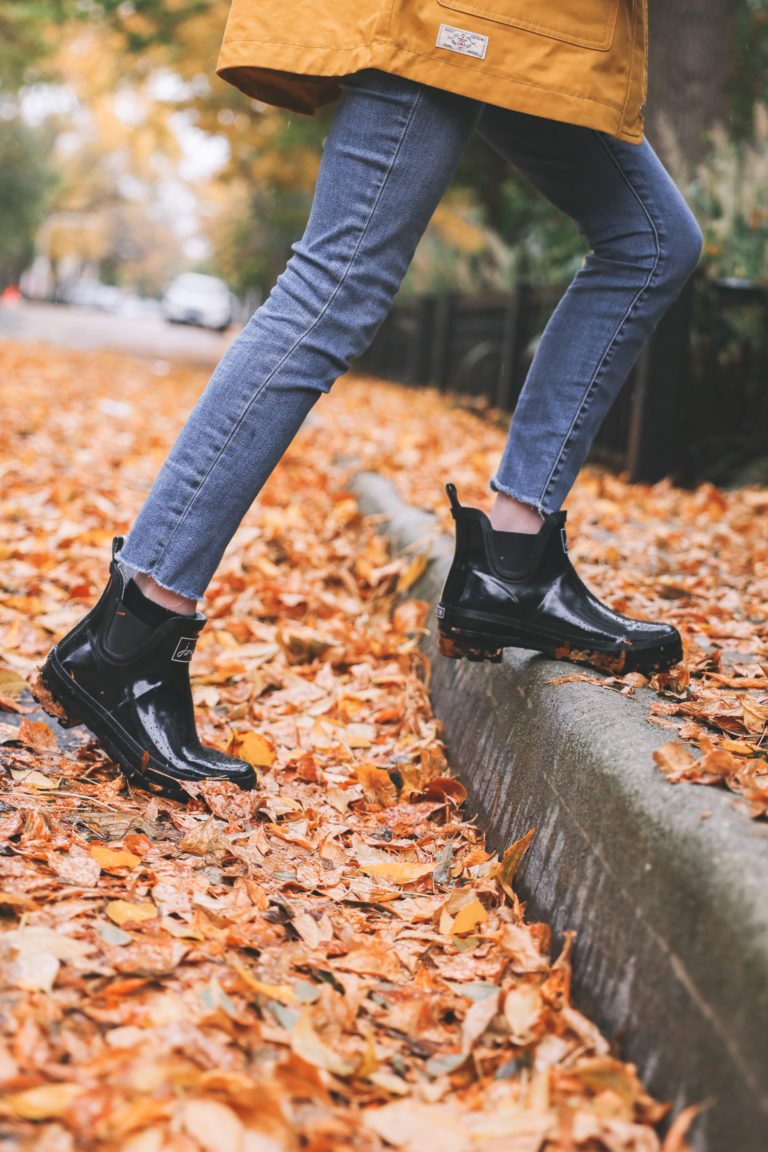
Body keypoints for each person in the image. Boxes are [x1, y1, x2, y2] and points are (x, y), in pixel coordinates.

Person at [35, 0, 702, 796]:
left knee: (654, 241)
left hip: (533, 26)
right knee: (333, 290)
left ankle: (514, 567)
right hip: (451, 17)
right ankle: (131, 637)